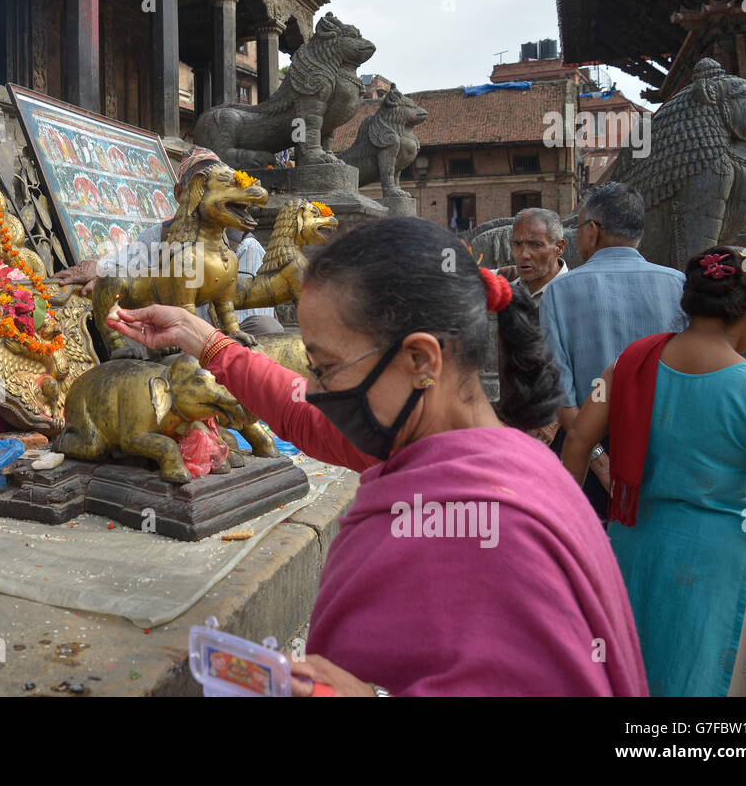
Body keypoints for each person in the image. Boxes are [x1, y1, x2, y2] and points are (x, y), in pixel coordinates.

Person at [108, 216, 647, 695]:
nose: (316, 388)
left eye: (325, 365)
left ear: (419, 360)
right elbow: (303, 415)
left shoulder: (490, 528)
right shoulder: (438, 446)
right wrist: (204, 340)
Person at [562, 246, 746, 696]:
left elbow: (577, 440)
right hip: (714, 567)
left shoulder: (631, 362)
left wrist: (573, 532)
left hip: (632, 546)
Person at [538, 182, 686, 519]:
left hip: (588, 463)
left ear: (592, 231)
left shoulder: (560, 293)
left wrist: (601, 461)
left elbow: (562, 395)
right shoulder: (678, 284)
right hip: (667, 455)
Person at [51, 148, 282, 336]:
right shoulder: (158, 236)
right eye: (197, 189)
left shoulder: (245, 247)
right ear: (180, 193)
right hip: (172, 343)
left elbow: (242, 319)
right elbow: (121, 265)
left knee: (265, 327)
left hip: (226, 347)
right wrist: (96, 271)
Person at [509, 207, 568, 303]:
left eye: (536, 245)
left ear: (559, 247)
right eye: (517, 244)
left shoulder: (578, 294)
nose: (523, 255)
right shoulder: (505, 296)